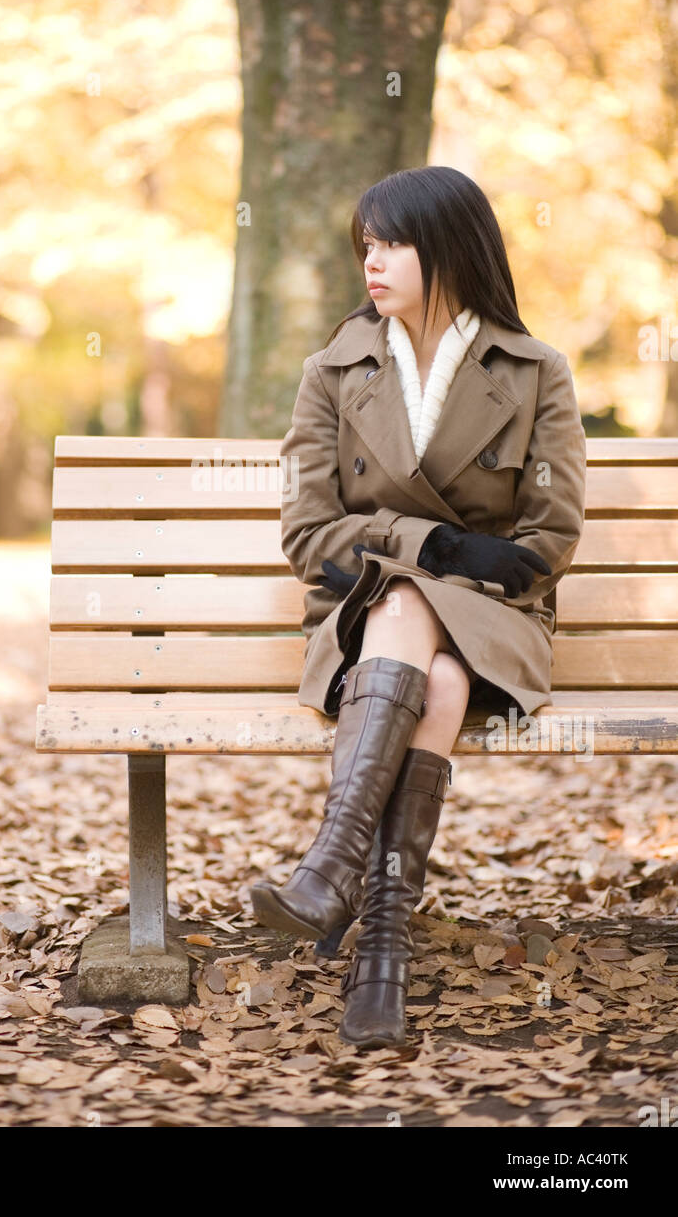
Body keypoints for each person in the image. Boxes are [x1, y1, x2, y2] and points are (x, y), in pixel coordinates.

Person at [250, 165, 588, 1049]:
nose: (373, 261)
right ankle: (382, 948)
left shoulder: (534, 371)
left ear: (451, 248)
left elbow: (543, 548)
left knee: (431, 644)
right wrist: (429, 547)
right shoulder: (334, 370)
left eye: (394, 243)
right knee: (422, 656)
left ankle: (331, 872)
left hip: (496, 624)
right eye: (367, 244)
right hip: (366, 621)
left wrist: (436, 569)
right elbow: (306, 533)